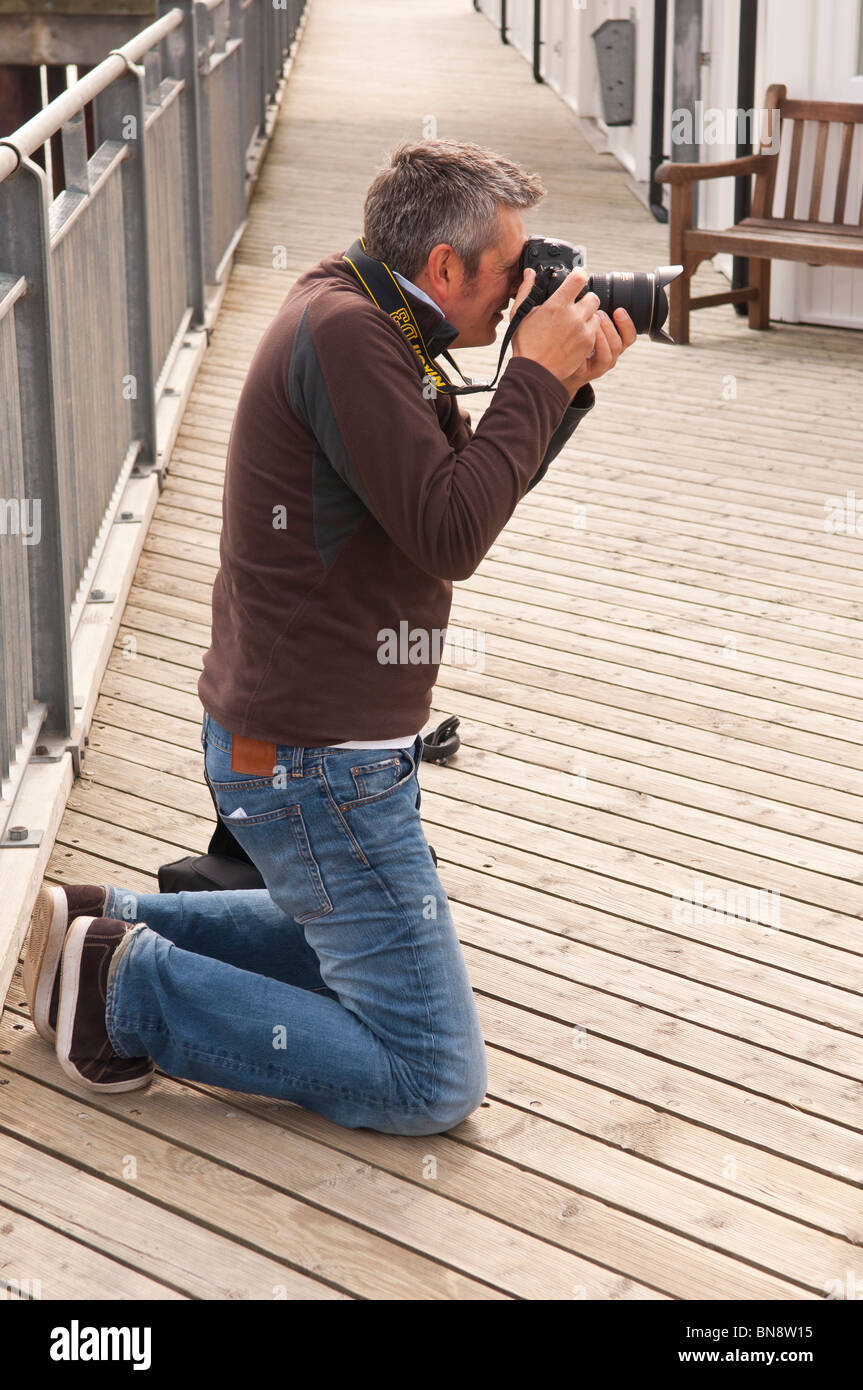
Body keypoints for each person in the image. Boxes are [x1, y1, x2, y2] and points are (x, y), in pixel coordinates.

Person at [23, 141, 635, 1131]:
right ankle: (122, 987)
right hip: (314, 766)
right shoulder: (351, 338)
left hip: (305, 747)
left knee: (360, 934)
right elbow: (451, 532)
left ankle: (110, 920)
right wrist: (531, 377)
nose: (520, 286)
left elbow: (439, 502)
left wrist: (552, 388)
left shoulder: (356, 305)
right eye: (505, 266)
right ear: (442, 266)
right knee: (432, 1074)